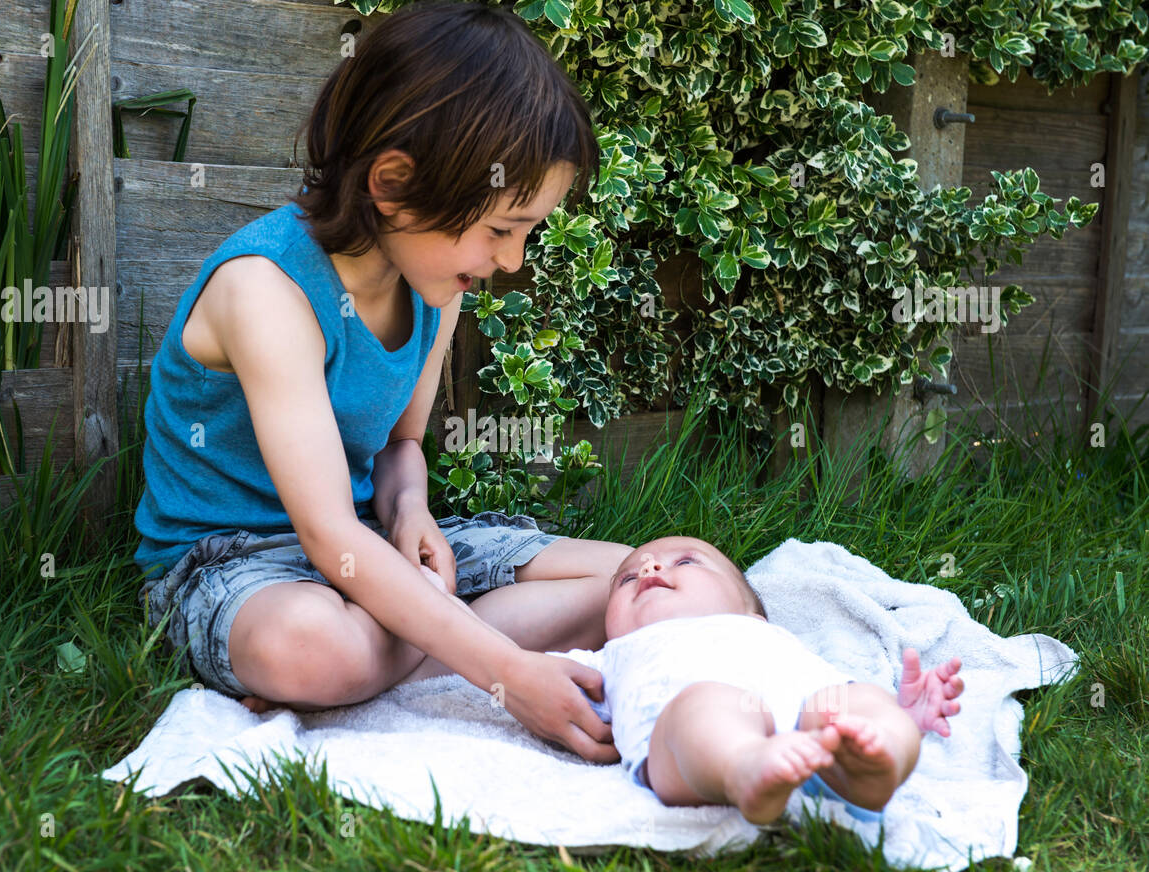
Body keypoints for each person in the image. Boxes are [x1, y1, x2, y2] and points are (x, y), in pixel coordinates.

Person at [134, 1, 635, 763]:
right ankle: (430, 643)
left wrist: (408, 512)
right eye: (501, 229)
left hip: (370, 542)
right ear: (393, 186)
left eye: (527, 231)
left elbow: (401, 445)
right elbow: (323, 533)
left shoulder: (435, 283)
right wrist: (509, 677)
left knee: (639, 574)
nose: (513, 262)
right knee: (312, 647)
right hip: (230, 565)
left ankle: (401, 645)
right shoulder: (266, 290)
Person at [543, 536, 966, 823]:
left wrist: (898, 710)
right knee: (705, 704)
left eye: (686, 561)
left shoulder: (764, 634)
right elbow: (549, 685)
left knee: (854, 702)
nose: (649, 566)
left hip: (807, 718)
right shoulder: (608, 657)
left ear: (751, 610)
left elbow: (835, 690)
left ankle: (875, 757)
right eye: (627, 579)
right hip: (683, 742)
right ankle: (745, 765)